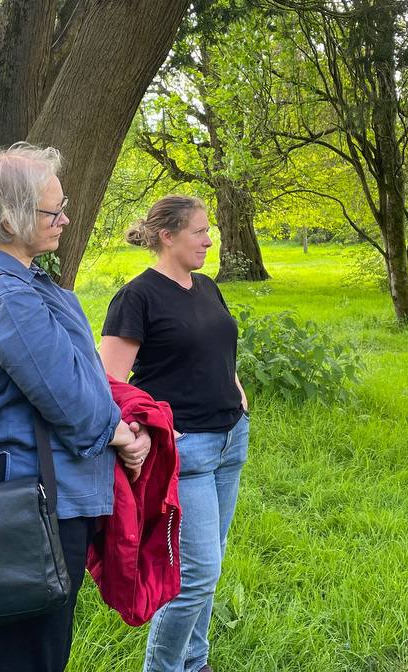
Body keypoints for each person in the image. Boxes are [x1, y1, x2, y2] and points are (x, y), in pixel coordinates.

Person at [0, 143, 148, 672]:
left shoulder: (19, 281)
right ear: (11, 219)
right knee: (32, 651)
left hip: (41, 491)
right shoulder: (7, 294)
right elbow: (70, 397)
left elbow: (78, 376)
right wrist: (122, 436)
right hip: (30, 497)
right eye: (53, 210)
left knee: (42, 644)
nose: (65, 218)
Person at [100, 195, 250, 672]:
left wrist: (238, 392)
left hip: (230, 440)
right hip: (187, 449)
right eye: (200, 232)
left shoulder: (206, 287)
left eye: (209, 232)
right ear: (167, 237)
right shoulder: (136, 297)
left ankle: (196, 661)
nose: (210, 240)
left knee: (211, 565)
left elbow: (221, 349)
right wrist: (139, 437)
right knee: (197, 575)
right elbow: (111, 385)